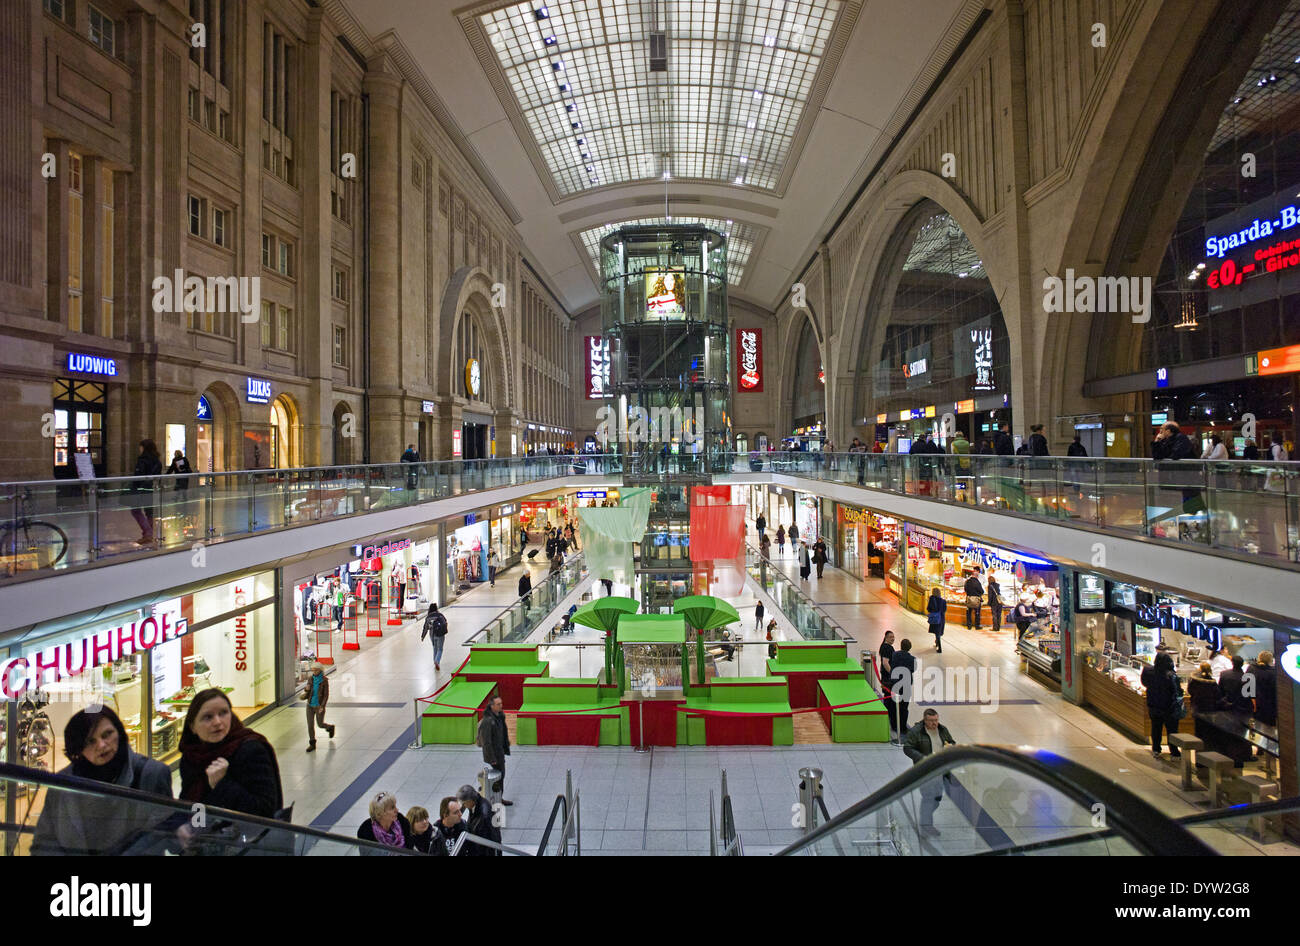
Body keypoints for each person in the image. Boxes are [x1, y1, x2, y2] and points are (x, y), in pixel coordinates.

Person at [32, 706, 173, 855]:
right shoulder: (62, 785)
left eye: (107, 734)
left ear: (119, 731)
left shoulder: (151, 774)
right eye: (90, 741)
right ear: (78, 749)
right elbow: (44, 843)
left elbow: (161, 835)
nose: (101, 745)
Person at [179, 688, 283, 818]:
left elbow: (265, 810)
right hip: (202, 828)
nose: (217, 722)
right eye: (208, 717)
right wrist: (185, 826)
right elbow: (187, 803)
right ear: (193, 726)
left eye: (223, 713)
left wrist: (222, 784)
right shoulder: (191, 756)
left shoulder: (250, 750)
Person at [902, 709, 957, 836]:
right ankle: (926, 825)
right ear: (925, 720)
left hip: (940, 770)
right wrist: (923, 758)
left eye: (936, 720)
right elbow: (907, 748)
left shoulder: (942, 730)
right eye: (931, 721)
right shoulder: (916, 732)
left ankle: (925, 820)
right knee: (928, 798)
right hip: (925, 771)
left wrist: (950, 746)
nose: (934, 723)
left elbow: (952, 742)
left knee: (937, 798)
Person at [1140, 652, 1183, 758]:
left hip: (1153, 705)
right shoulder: (1171, 675)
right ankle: (1174, 751)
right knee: (1172, 730)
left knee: (1156, 728)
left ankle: (1156, 749)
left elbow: (1144, 683)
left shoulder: (1148, 671)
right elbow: (1177, 691)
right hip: (1169, 707)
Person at [476, 694, 512, 806]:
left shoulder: (500, 716)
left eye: (501, 703)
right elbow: (486, 742)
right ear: (492, 706)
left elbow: (503, 732)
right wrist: (492, 758)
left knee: (501, 776)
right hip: (494, 754)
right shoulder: (488, 721)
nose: (501, 706)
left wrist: (506, 744)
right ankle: (496, 799)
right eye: (498, 704)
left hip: (500, 751)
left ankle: (498, 798)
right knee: (499, 777)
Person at [128, 438, 164, 545]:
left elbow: (138, 476)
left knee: (135, 510)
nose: (139, 449)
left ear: (144, 448)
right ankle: (147, 535)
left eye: (141, 447)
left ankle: (148, 533)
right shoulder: (157, 461)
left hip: (141, 489)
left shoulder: (142, 460)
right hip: (151, 489)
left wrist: (134, 487)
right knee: (149, 512)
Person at [456, 784, 502, 856]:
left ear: (470, 801)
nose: (463, 806)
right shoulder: (475, 802)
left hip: (484, 849)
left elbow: (492, 837)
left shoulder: (484, 815)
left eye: (464, 803)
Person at [300, 661, 336, 752]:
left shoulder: (324, 680)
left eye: (316, 670)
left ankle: (329, 727)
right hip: (310, 705)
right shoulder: (310, 679)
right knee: (310, 725)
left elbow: (326, 695)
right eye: (313, 670)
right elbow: (307, 690)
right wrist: (306, 689)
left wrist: (322, 706)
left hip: (319, 706)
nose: (314, 672)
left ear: (320, 670)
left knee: (320, 724)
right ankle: (312, 743)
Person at [889, 639, 917, 733]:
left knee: (894, 705)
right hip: (906, 684)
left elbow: (892, 664)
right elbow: (913, 669)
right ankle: (903, 727)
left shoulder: (895, 654)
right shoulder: (912, 659)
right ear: (910, 648)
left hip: (895, 683)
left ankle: (894, 725)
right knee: (904, 707)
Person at [877, 631, 898, 736]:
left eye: (893, 637)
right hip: (888, 677)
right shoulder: (887, 648)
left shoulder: (885, 647)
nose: (892, 638)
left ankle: (887, 715)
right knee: (889, 697)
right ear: (885, 637)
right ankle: (888, 717)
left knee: (887, 696)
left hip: (885, 675)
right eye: (890, 637)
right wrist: (892, 673)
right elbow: (885, 663)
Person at [1249, 652, 1277, 726]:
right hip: (1269, 706)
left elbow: (1246, 688)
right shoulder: (1273, 673)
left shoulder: (1251, 668)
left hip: (1254, 704)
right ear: (1271, 660)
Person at [420, 601, 449, 671]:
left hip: (432, 635)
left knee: (435, 648)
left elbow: (425, 628)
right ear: (436, 608)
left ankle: (435, 662)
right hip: (440, 634)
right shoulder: (440, 615)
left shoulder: (428, 617)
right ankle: (437, 661)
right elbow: (445, 622)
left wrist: (423, 636)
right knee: (440, 649)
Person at [926, 588, 947, 652]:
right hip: (941, 618)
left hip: (934, 618)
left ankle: (939, 647)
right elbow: (944, 610)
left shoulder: (931, 599)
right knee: (938, 632)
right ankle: (937, 644)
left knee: (936, 632)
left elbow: (928, 608)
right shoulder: (943, 601)